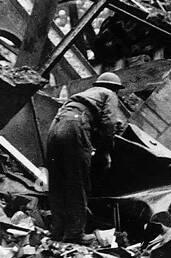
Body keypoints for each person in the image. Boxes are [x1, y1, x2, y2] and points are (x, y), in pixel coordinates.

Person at [45, 72, 124, 243]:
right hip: (75, 126)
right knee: (77, 183)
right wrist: (105, 153)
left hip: (56, 126)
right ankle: (74, 233)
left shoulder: (85, 95)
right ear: (115, 88)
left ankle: (57, 231)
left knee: (58, 182)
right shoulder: (109, 94)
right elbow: (108, 123)